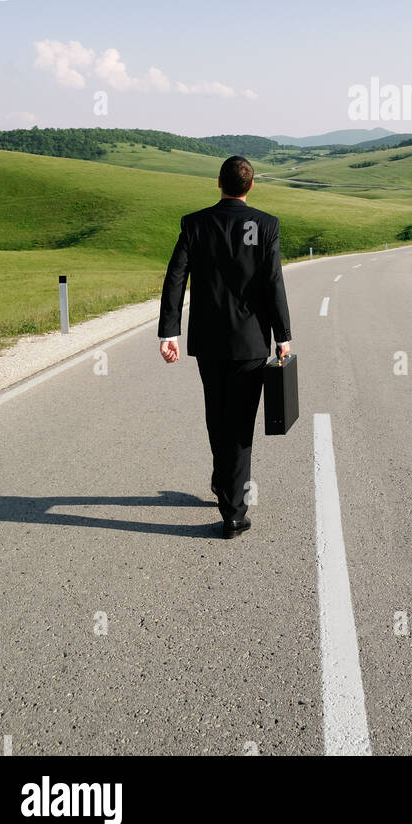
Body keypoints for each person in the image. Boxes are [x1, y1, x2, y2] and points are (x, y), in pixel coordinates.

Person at [157, 156, 292, 538]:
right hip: (250, 343)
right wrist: (282, 336)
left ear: (219, 182)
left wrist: (170, 333)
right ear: (251, 187)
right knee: (240, 426)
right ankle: (233, 511)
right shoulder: (266, 225)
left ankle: (222, 484)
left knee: (217, 414)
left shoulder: (195, 223)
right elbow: (273, 284)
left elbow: (175, 277)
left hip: (209, 341)